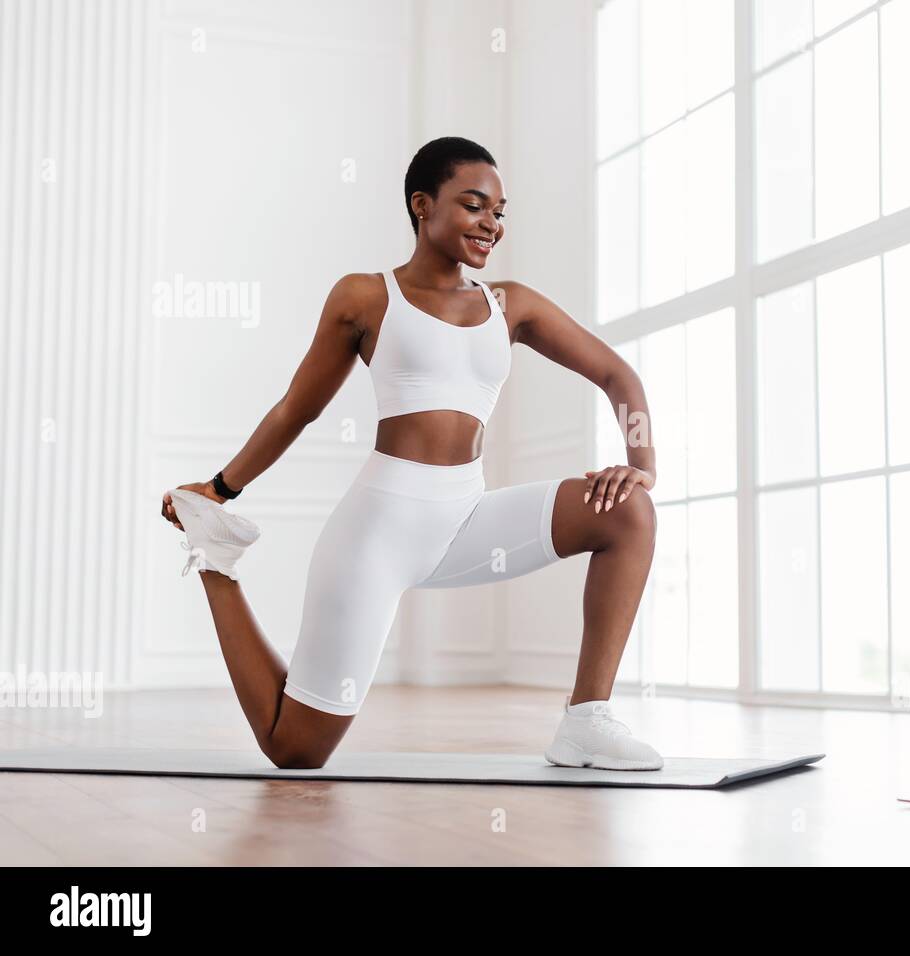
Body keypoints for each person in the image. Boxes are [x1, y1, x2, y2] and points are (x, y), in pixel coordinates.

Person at [160, 136, 661, 772]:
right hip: (379, 529)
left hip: (468, 518)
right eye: (474, 205)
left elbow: (621, 378)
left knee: (629, 514)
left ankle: (586, 722)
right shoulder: (365, 297)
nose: (491, 224)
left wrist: (641, 468)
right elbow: (298, 408)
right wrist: (220, 491)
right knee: (296, 749)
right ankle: (216, 561)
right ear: (422, 205)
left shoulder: (511, 305)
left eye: (500, 212)